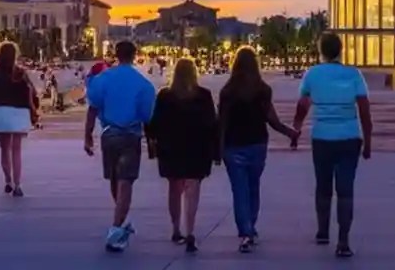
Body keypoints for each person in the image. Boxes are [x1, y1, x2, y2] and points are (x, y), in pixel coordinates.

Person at [293, 32, 373, 259]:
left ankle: (322, 231)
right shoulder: (354, 74)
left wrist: (296, 130)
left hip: (322, 138)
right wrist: (368, 142)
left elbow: (303, 105)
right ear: (340, 49)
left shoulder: (312, 74)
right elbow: (365, 112)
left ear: (321, 50)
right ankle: (344, 241)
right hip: (349, 138)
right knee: (346, 190)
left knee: (323, 185)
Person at [219, 47, 299, 254]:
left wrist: (217, 149)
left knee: (239, 191)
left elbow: (222, 123)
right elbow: (272, 119)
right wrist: (290, 133)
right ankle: (251, 227)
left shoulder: (227, 92)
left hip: (233, 146)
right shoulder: (263, 90)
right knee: (253, 187)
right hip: (257, 144)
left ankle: (245, 232)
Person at [85, 40, 157, 253]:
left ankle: (119, 222)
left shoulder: (102, 80)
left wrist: (87, 136)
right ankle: (117, 225)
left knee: (115, 180)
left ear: (116, 54)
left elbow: (93, 107)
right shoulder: (143, 84)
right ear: (134, 55)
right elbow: (148, 116)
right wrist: (152, 138)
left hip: (109, 135)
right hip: (130, 135)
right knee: (125, 181)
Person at [144, 58, 219, 254]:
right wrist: (216, 151)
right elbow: (212, 124)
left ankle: (176, 229)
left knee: (174, 188)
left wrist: (153, 141)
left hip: (171, 149)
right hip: (197, 149)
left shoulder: (165, 96)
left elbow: (154, 124)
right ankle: (190, 230)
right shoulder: (204, 96)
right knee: (192, 189)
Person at [0, 41, 39, 197]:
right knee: (16, 150)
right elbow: (32, 93)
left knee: (4, 149)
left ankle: (8, 180)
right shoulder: (20, 72)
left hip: (0, 112)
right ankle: (17, 185)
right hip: (19, 113)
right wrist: (34, 112)